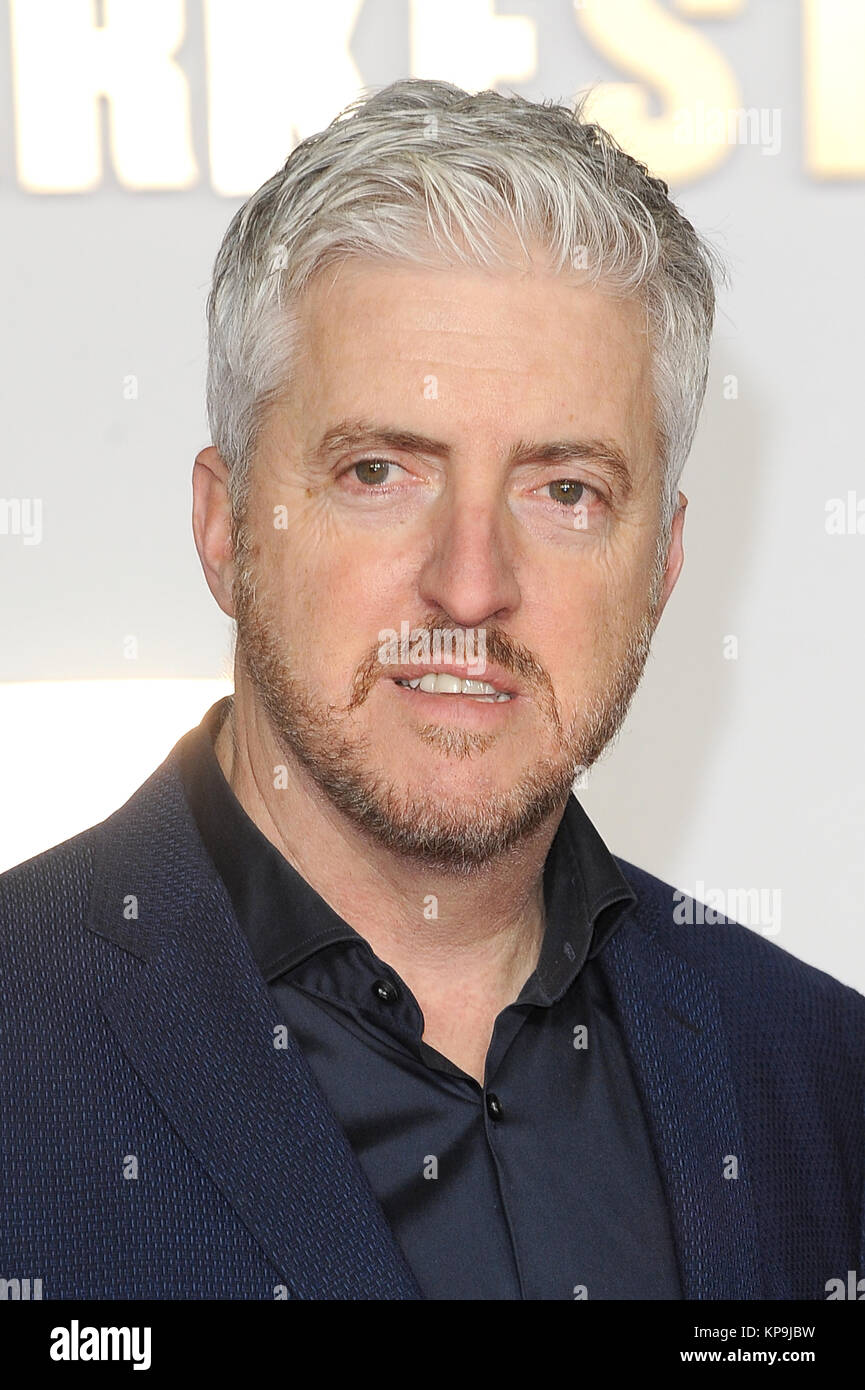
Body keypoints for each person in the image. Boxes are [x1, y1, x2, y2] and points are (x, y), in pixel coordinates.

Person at [1, 79, 862, 1302]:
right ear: (225, 526)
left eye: (564, 491)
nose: (470, 585)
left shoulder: (821, 1086)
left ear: (661, 564)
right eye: (379, 470)